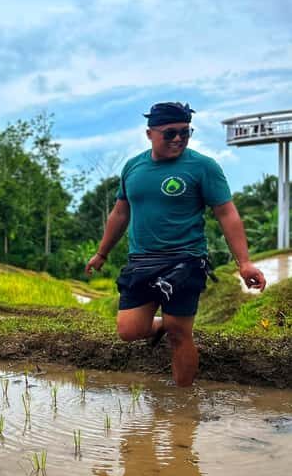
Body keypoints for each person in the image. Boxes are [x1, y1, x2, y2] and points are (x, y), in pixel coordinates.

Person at [86, 102, 266, 386]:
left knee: (180, 334)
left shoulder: (203, 167)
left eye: (185, 132)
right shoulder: (133, 167)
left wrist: (243, 263)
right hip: (142, 262)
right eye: (170, 133)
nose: (179, 139)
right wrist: (101, 253)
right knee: (129, 330)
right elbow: (121, 212)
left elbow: (226, 213)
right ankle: (162, 326)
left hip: (185, 261)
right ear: (150, 134)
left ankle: (183, 406)